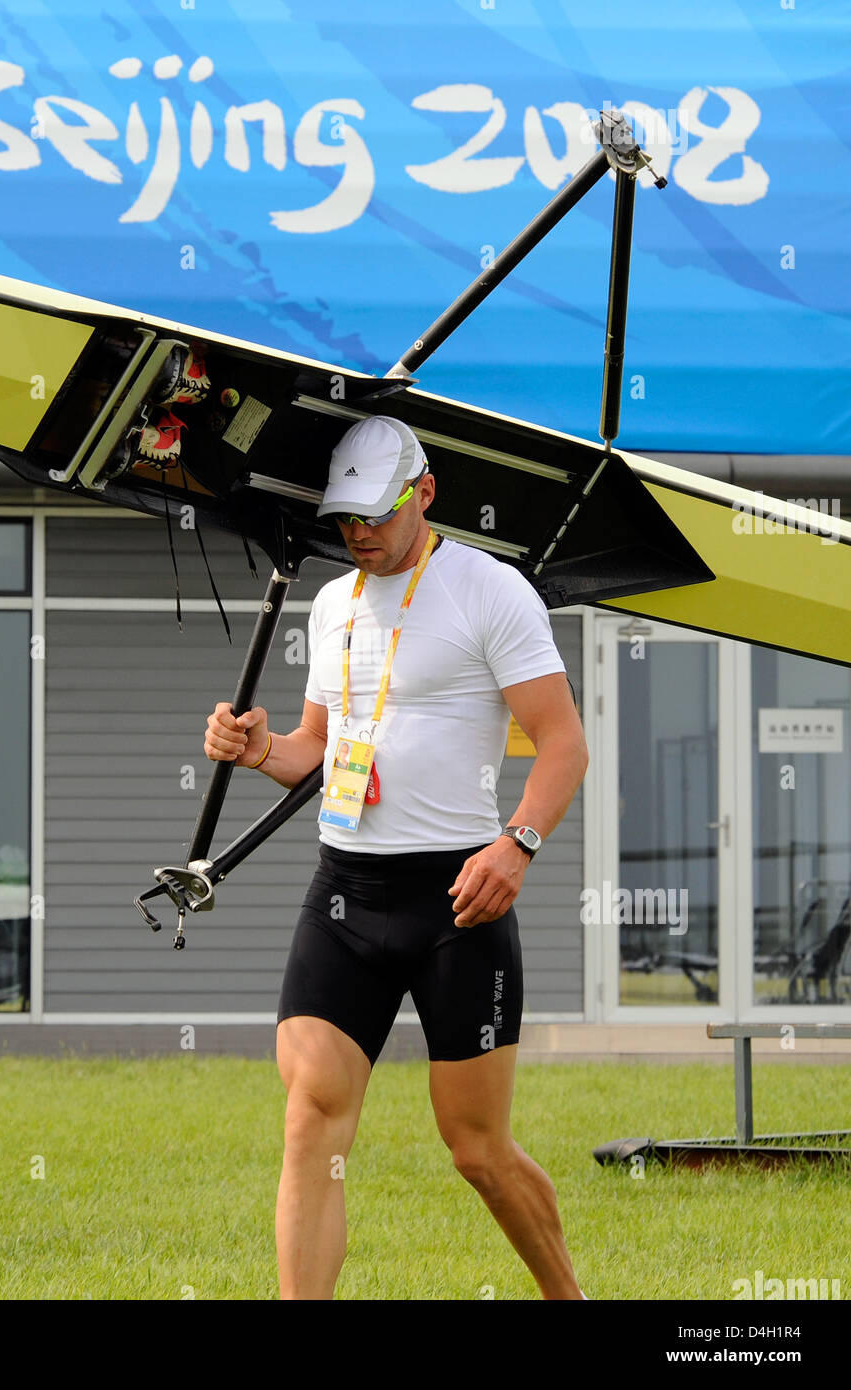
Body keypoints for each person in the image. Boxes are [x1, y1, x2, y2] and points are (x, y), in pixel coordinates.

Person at [204, 415, 589, 1301]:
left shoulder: (491, 592)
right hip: (344, 891)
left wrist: (517, 844)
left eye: (377, 513)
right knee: (310, 1119)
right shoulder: (331, 603)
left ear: (424, 491)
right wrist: (257, 747)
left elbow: (563, 744)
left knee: (477, 1149)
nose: (359, 533)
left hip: (459, 895)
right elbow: (317, 752)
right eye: (345, 519)